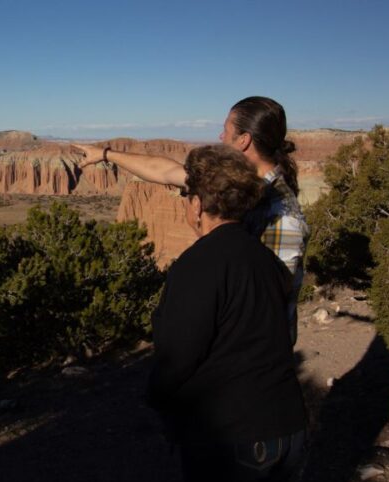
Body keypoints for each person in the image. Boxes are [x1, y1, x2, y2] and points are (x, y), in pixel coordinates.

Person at [73, 96, 308, 345]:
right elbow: (165, 171)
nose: (220, 137)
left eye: (225, 129)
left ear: (243, 140)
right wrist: (105, 154)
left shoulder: (282, 216)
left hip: (256, 359)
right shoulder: (233, 182)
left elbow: (267, 301)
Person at [147, 145, 307, 482]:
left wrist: (157, 398)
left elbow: (177, 356)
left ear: (198, 204)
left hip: (234, 437)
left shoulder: (197, 265)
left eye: (187, 196)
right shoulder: (266, 260)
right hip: (288, 428)